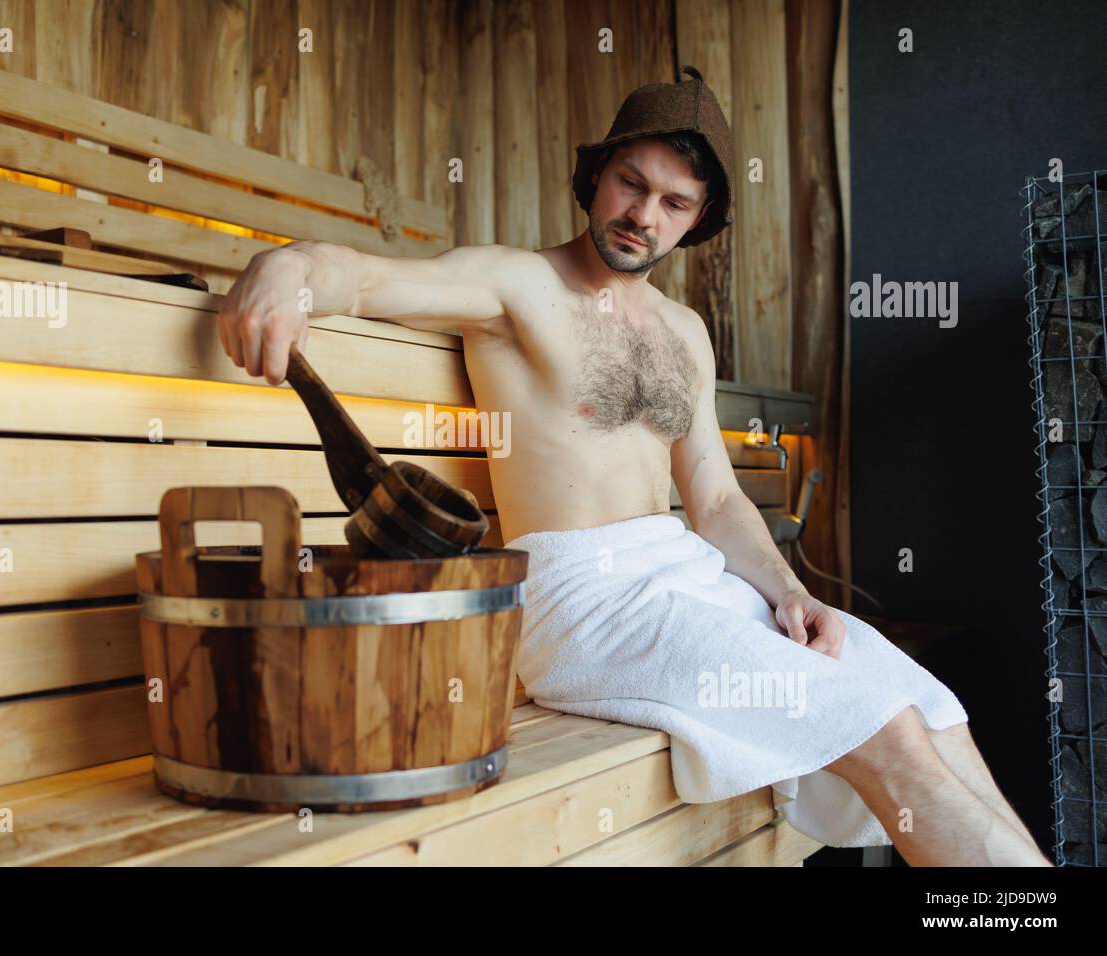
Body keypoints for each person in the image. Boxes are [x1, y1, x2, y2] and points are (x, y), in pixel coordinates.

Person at [216, 68, 1050, 866]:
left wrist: (792, 594)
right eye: (630, 182)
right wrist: (288, 267)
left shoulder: (683, 331)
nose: (643, 214)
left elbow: (717, 499)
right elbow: (362, 279)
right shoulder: (516, 285)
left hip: (689, 579)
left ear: (698, 218)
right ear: (594, 177)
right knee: (888, 736)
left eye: (673, 202)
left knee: (935, 714)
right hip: (581, 601)